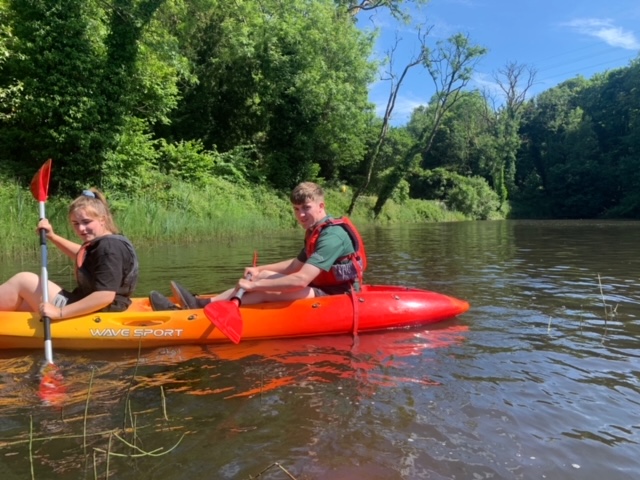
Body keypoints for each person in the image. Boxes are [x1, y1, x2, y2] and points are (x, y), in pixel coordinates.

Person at [149, 181, 366, 310]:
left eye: (306, 208)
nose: (300, 214)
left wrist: (254, 287)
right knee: (259, 278)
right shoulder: (315, 231)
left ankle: (202, 308)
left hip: (336, 296)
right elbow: (294, 265)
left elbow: (301, 279)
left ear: (321, 206)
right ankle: (203, 303)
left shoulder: (332, 236)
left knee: (265, 292)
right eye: (296, 208)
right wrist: (259, 271)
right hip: (320, 287)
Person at [0, 189, 139, 318]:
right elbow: (82, 256)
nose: (81, 229)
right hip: (94, 306)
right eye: (75, 223)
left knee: (23, 280)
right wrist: (52, 236)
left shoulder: (109, 247)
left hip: (98, 311)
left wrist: (60, 312)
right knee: (22, 302)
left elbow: (105, 296)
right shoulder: (105, 242)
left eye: (86, 222)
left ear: (102, 220)